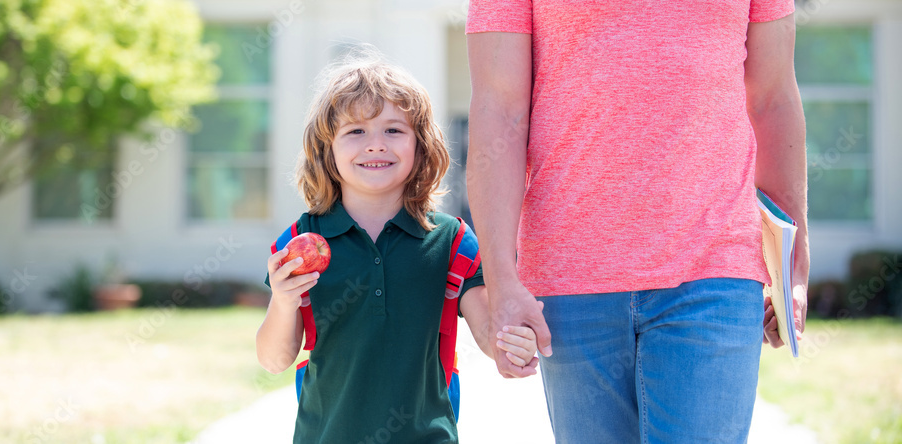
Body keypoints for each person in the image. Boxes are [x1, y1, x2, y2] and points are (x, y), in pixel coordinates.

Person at [465, 1, 810, 443]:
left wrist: (794, 259)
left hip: (715, 265)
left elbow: (772, 98)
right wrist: (500, 278)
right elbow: (499, 109)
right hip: (572, 277)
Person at [255, 51, 540, 443]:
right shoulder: (297, 244)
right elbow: (274, 360)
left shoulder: (452, 241)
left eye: (393, 130)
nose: (375, 145)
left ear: (421, 146)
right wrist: (285, 302)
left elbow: (491, 334)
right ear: (327, 149)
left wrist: (513, 344)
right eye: (355, 131)